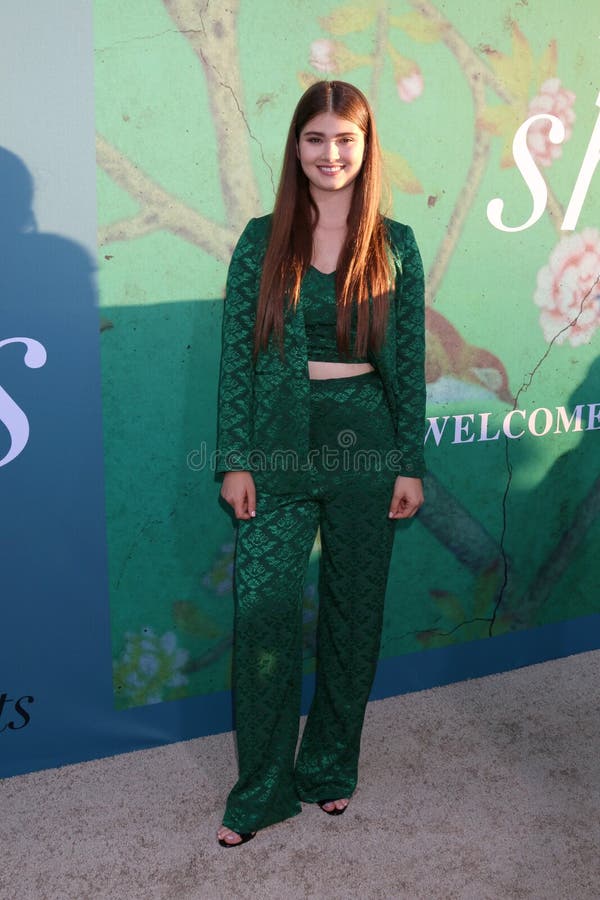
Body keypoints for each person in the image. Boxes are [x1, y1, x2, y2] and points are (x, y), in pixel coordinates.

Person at [214, 80, 426, 847]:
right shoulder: (260, 238)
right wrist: (235, 459)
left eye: (345, 140)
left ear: (365, 149)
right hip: (277, 441)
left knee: (353, 613)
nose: (330, 154)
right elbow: (237, 358)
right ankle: (261, 789)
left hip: (368, 441)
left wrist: (410, 462)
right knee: (263, 612)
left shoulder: (395, 243)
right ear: (295, 146)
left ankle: (330, 767)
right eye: (315, 138)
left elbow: (408, 360)